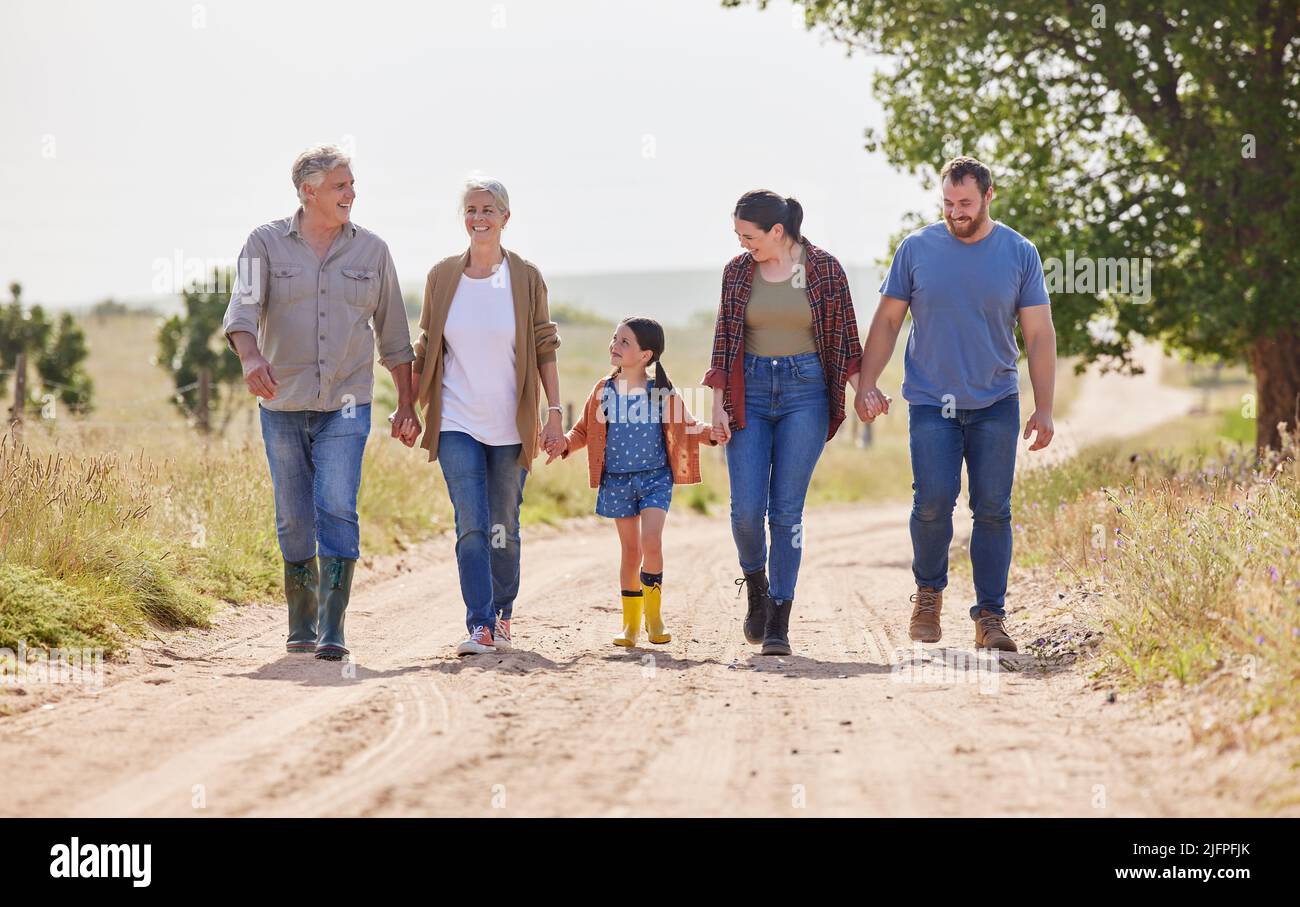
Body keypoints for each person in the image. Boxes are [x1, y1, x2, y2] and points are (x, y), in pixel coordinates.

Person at [222, 143, 418, 661]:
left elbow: (395, 334)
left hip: (348, 401)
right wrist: (250, 358)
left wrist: (406, 404)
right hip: (281, 403)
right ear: (309, 192)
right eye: (340, 186)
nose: (351, 193)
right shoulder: (263, 243)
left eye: (351, 184)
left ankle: (334, 625)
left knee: (335, 502)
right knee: (292, 516)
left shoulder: (372, 251)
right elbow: (241, 308)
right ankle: (301, 620)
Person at [856, 156, 1057, 652]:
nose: (956, 212)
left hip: (995, 400)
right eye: (948, 203)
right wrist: (866, 383)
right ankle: (928, 595)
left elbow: (1038, 334)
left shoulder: (1019, 252)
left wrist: (1045, 406)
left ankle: (991, 617)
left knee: (992, 509)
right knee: (932, 503)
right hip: (930, 400)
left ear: (989, 196)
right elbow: (886, 322)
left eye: (965, 203)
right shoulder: (917, 249)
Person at [703, 190, 868, 656]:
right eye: (738, 236)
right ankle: (756, 583)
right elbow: (723, 342)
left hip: (805, 391)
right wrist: (716, 403)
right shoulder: (737, 273)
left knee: (787, 512)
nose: (743, 245)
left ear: (778, 232)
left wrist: (865, 392)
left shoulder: (825, 270)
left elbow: (845, 342)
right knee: (746, 510)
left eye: (749, 236)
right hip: (749, 392)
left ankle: (779, 616)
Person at [410, 176, 564, 656]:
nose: (479, 218)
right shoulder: (442, 277)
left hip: (510, 424)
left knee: (504, 524)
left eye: (488, 210)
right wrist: (408, 407)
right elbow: (426, 346)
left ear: (505, 218)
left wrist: (553, 413)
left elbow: (544, 348)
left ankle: (502, 612)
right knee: (471, 523)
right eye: (472, 209)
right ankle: (479, 624)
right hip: (455, 419)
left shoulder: (525, 277)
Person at [548, 317, 715, 647]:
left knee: (651, 542)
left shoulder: (660, 393)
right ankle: (630, 625)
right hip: (617, 481)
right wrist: (564, 442)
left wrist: (716, 435)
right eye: (615, 338)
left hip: (655, 479)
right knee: (630, 552)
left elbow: (688, 426)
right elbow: (582, 431)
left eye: (625, 342)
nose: (615, 345)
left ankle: (654, 618)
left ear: (645, 355)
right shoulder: (603, 391)